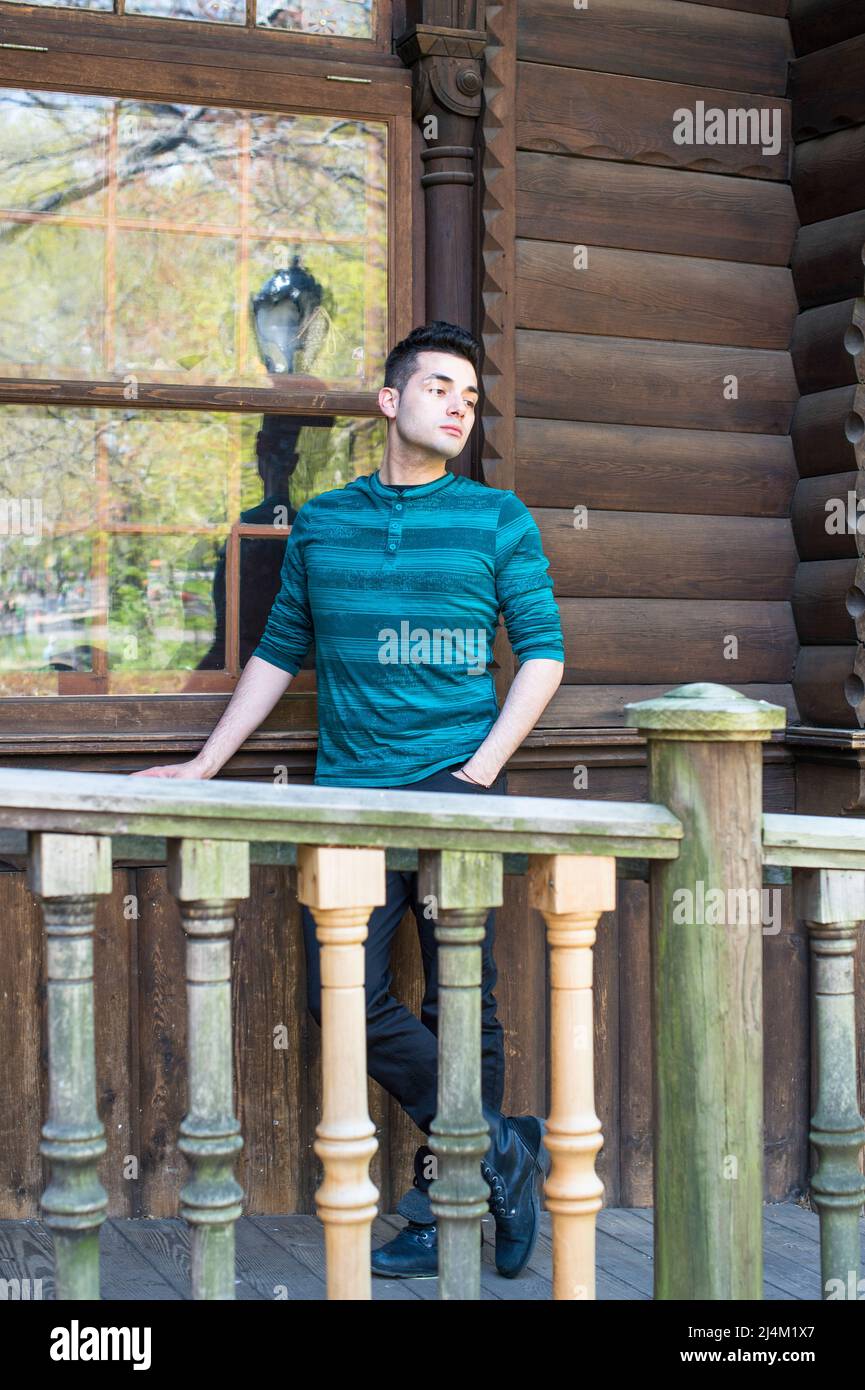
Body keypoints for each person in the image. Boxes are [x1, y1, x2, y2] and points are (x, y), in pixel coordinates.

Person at [132, 320, 566, 1280]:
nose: (461, 405)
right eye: (442, 387)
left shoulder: (498, 520)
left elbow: (542, 653)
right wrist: (206, 766)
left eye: (471, 395)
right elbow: (279, 652)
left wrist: (478, 775)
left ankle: (435, 1205)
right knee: (345, 1000)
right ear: (390, 401)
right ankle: (501, 1145)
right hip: (348, 803)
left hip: (460, 791)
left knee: (466, 1003)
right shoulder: (323, 522)